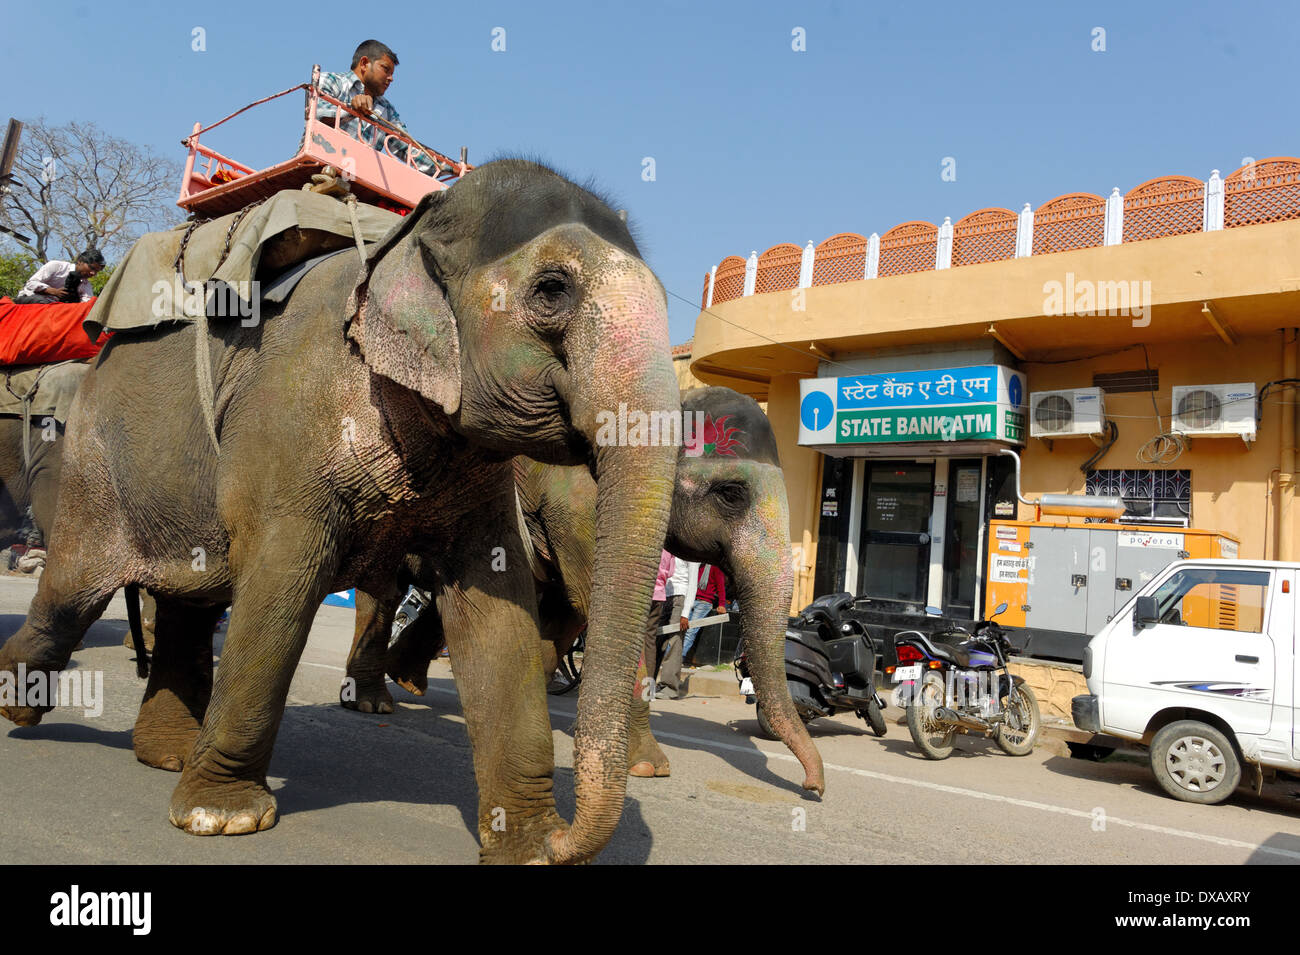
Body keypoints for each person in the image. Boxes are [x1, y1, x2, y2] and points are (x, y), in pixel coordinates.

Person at [314, 40, 443, 177]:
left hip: (355, 178)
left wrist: (453, 169)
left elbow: (407, 148)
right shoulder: (331, 81)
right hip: (320, 166)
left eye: (392, 73)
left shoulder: (386, 109)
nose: (391, 78)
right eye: (385, 69)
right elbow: (318, 114)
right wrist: (352, 110)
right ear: (364, 64)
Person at [15, 250, 104, 304]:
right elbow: (31, 283)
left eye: (97, 271)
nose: (93, 273)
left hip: (56, 308)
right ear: (80, 261)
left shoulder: (86, 285)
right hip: (32, 298)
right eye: (92, 268)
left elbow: (87, 302)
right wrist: (53, 291)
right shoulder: (56, 266)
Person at [682, 563, 727, 667]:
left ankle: (679, 658)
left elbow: (721, 586)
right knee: (680, 628)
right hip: (690, 599)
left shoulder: (716, 567)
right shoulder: (696, 564)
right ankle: (669, 657)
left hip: (704, 602)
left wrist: (722, 604)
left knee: (690, 631)